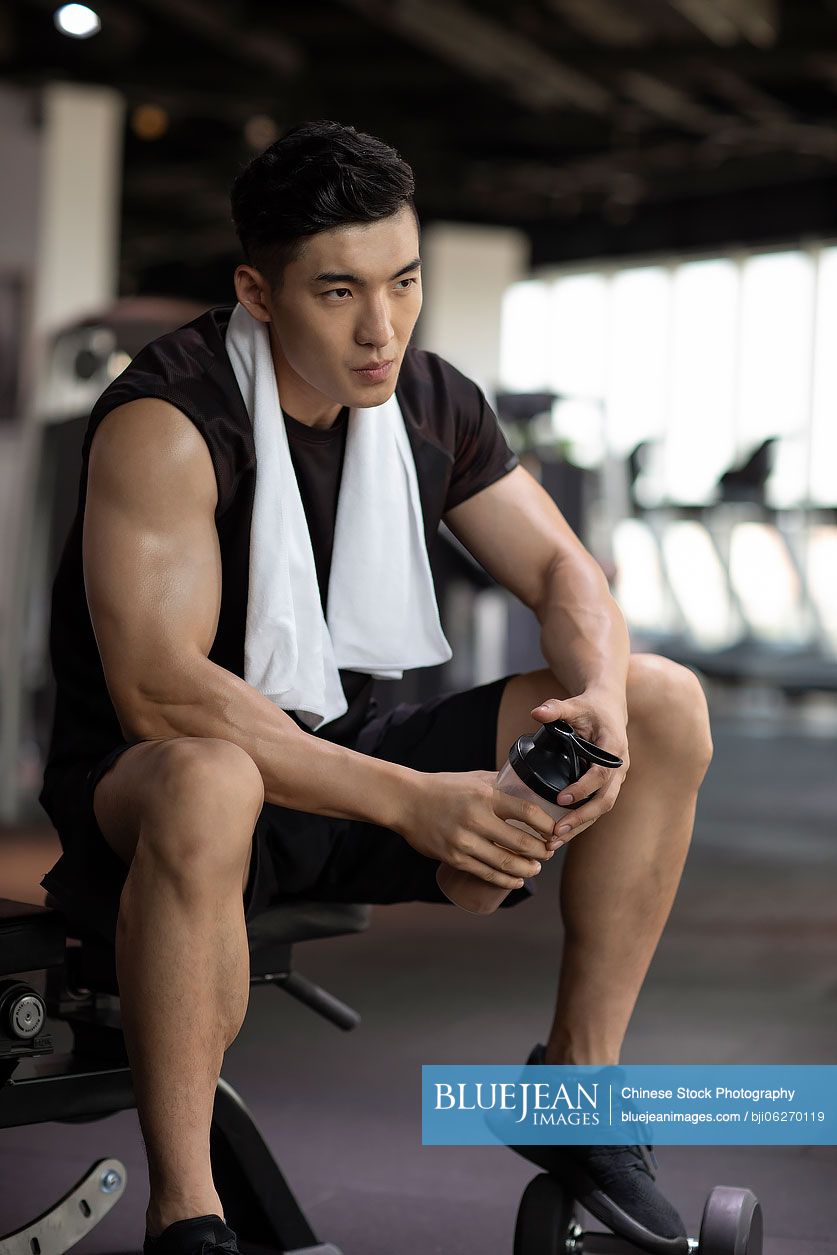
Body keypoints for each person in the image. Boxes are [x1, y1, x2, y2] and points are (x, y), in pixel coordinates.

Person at [39, 120, 713, 1255]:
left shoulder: (428, 400)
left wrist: (596, 693)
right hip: (156, 790)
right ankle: (189, 1217)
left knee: (660, 697)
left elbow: (562, 570)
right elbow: (162, 694)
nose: (381, 327)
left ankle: (579, 1090)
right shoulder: (173, 418)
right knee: (208, 775)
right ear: (259, 290)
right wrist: (417, 802)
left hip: (340, 753)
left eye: (403, 283)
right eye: (339, 291)